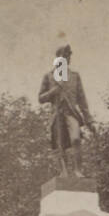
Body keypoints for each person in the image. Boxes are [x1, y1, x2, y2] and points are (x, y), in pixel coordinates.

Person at [39, 44, 95, 177]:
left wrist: (89, 120)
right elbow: (40, 98)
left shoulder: (75, 76)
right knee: (60, 145)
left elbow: (82, 100)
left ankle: (78, 170)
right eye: (65, 56)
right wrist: (52, 92)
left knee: (75, 139)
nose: (68, 59)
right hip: (56, 114)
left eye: (68, 56)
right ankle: (63, 172)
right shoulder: (49, 76)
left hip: (71, 113)